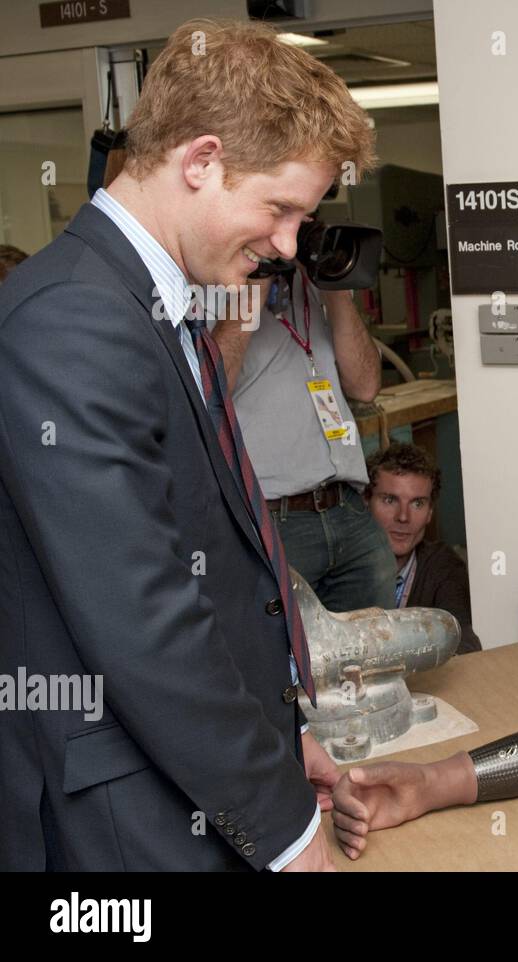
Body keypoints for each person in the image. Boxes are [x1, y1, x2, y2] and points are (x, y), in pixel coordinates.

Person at [0, 18, 375, 871]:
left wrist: (282, 747)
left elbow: (212, 561)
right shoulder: (72, 318)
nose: (288, 245)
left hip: (193, 790)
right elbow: (147, 620)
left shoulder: (158, 300)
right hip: (127, 821)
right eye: (280, 209)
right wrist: (281, 824)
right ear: (200, 160)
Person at [210, 243, 394, 614]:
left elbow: (366, 385)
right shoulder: (213, 286)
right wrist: (256, 281)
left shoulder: (312, 288)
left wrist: (336, 288)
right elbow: (210, 389)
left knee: (373, 656)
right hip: (273, 520)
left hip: (348, 510)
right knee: (283, 662)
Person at [366, 443, 481, 652]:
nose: (403, 517)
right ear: (366, 503)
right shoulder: (341, 571)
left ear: (430, 513)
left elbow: (463, 641)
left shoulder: (443, 566)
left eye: (417, 503)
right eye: (390, 500)